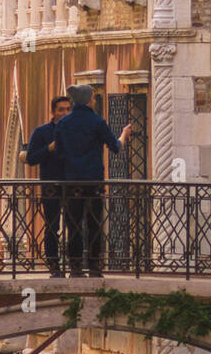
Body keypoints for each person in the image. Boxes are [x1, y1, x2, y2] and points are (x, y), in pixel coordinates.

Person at [52, 84, 132, 277]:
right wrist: (124, 135)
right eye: (93, 98)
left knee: (74, 224)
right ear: (88, 100)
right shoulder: (97, 122)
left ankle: (76, 266)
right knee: (94, 223)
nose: (95, 101)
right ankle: (95, 267)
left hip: (72, 181)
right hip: (93, 181)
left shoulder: (63, 123)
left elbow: (59, 152)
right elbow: (115, 146)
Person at [26, 96, 72, 275]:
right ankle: (54, 266)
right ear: (53, 112)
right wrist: (49, 149)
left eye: (68, 109)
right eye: (61, 109)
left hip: (72, 185)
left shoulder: (75, 132)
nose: (65, 113)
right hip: (51, 186)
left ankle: (75, 265)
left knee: (74, 225)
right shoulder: (41, 132)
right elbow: (30, 158)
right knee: (52, 226)